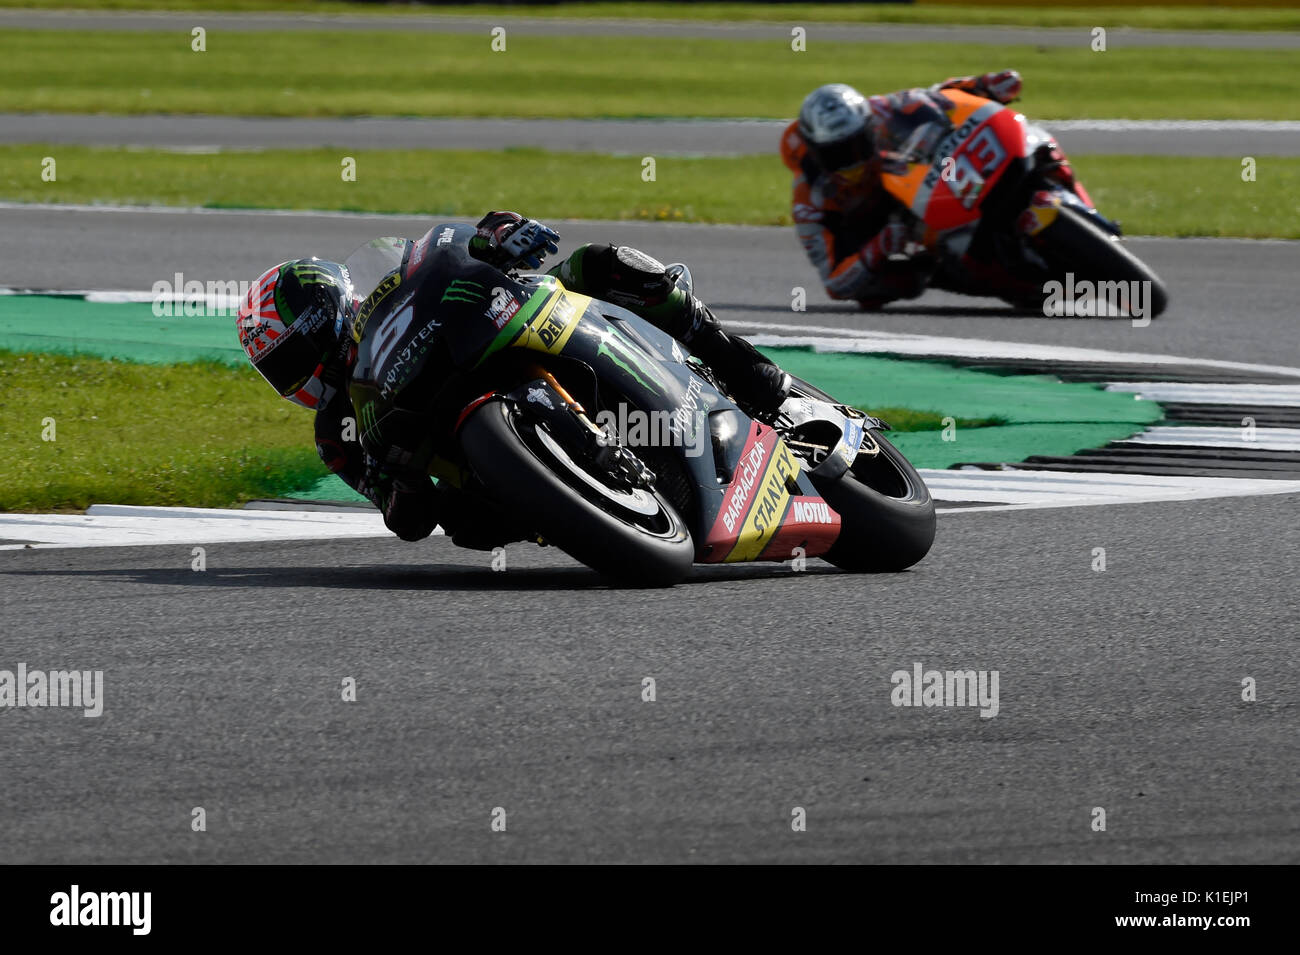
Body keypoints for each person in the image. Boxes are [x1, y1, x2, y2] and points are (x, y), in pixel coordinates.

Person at [236, 211, 791, 545]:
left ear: (328, 310)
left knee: (599, 263)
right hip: (485, 455)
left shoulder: (390, 289)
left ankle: (734, 360)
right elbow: (400, 516)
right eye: (279, 371)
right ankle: (581, 507)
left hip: (505, 325)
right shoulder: (338, 433)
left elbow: (450, 247)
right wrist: (399, 484)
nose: (298, 376)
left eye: (295, 355)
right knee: (467, 525)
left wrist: (500, 233)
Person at [780, 71, 1029, 308]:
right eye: (836, 154)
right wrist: (879, 247)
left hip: (918, 185)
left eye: (858, 144)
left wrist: (983, 84)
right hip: (883, 234)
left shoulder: (881, 111)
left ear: (868, 127)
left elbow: (937, 96)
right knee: (888, 286)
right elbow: (834, 283)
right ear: (815, 153)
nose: (852, 159)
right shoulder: (809, 200)